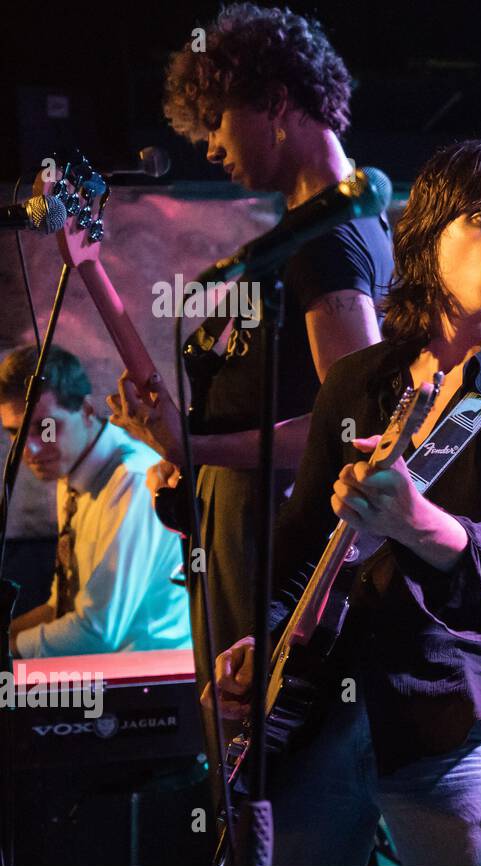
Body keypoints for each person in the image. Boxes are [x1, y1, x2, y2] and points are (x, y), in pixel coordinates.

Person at [207, 138, 481, 866]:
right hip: (314, 716)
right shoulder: (356, 383)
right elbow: (298, 549)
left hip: (451, 717)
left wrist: (416, 520)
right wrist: (257, 651)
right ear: (428, 231)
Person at [108, 3, 393, 689]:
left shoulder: (329, 243)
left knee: (250, 742)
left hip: (274, 539)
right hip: (245, 528)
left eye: (215, 120)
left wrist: (195, 448)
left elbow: (354, 426)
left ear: (274, 102)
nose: (207, 146)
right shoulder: (306, 235)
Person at [0, 346, 190, 658]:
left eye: (44, 428)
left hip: (157, 687)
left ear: (87, 411)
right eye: (14, 433)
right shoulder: (72, 472)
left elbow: (95, 633)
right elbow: (61, 608)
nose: (29, 450)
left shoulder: (133, 479)